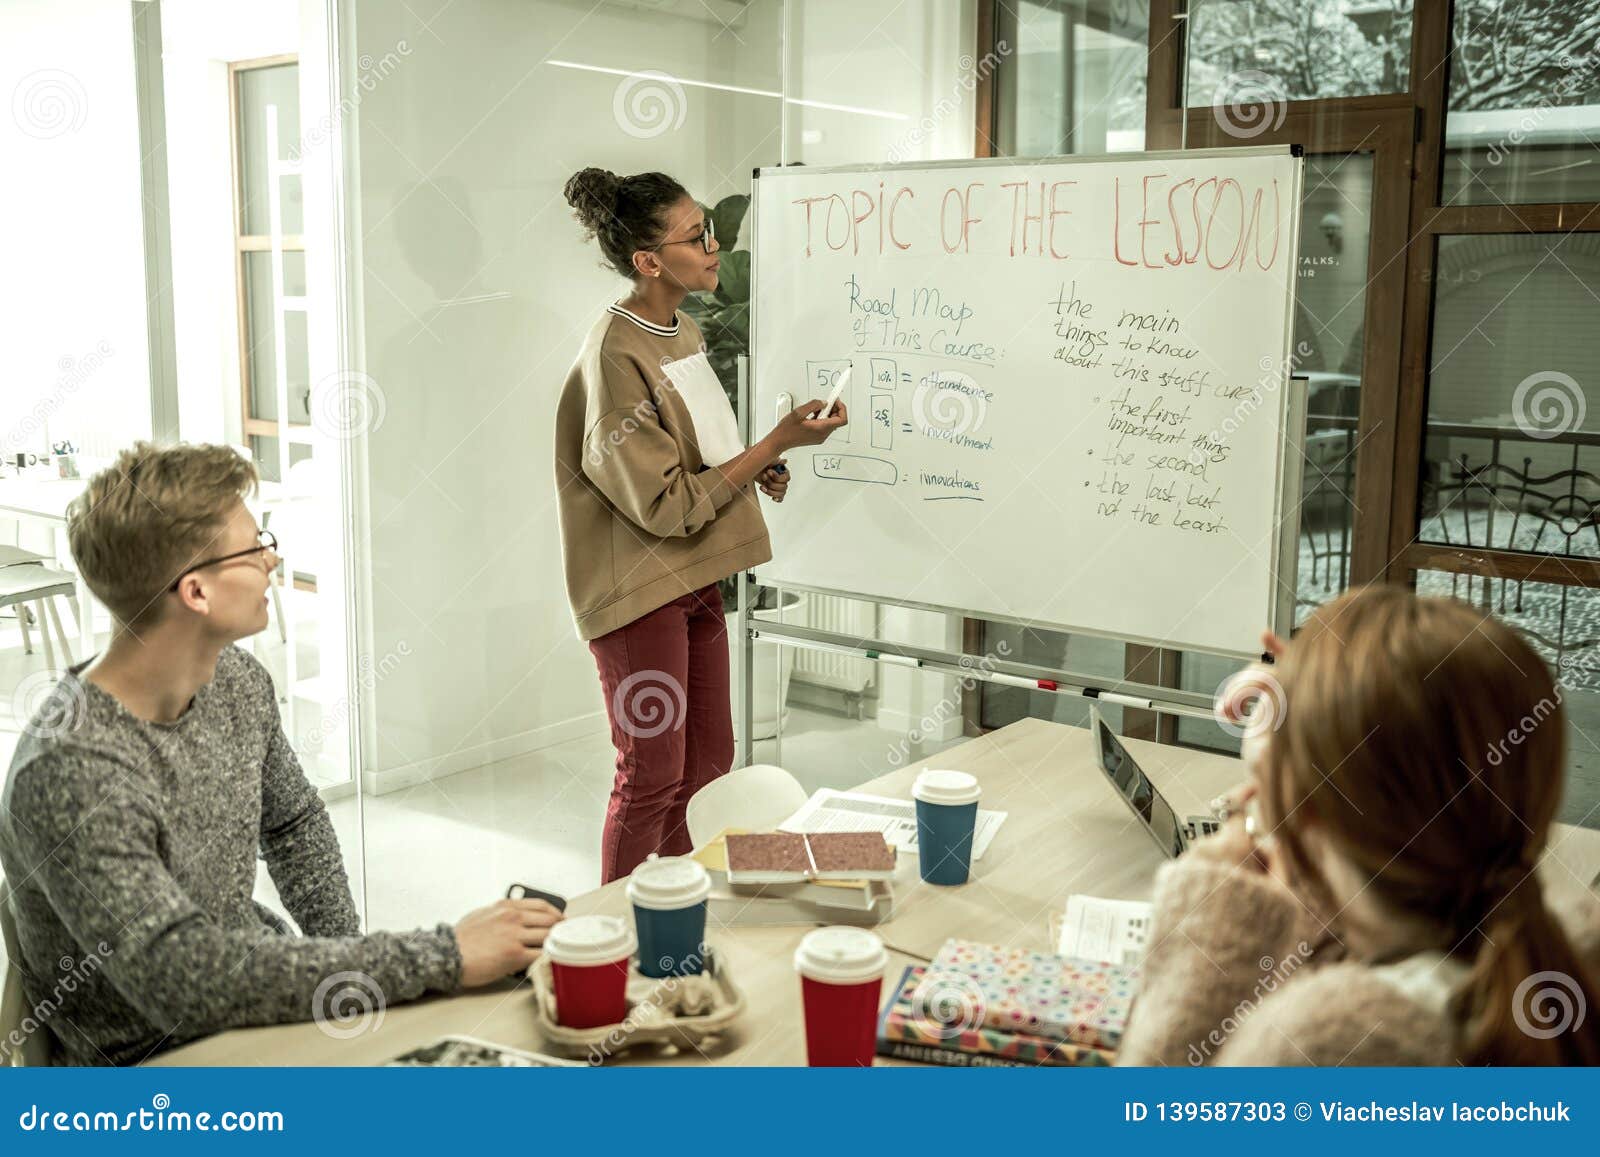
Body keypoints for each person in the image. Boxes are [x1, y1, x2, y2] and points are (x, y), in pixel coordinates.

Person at [0, 443, 563, 1065]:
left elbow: (292, 825)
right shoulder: (68, 768)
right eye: (253, 547)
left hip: (256, 1010)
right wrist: (444, 955)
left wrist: (361, 988)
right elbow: (182, 980)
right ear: (196, 591)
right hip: (159, 1064)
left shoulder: (236, 679)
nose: (272, 559)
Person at [1119, 585, 1600, 1066]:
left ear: (1310, 816)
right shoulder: (1549, 966)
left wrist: (1209, 933)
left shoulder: (1321, 1040)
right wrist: (1314, 735)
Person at [555, 168, 847, 883]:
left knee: (710, 764)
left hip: (696, 574)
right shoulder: (614, 353)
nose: (716, 246)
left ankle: (680, 906)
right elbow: (662, 503)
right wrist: (772, 446)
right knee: (651, 773)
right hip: (638, 590)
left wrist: (758, 468)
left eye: (710, 228)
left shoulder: (679, 329)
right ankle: (619, 935)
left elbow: (700, 456)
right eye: (697, 236)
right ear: (648, 261)